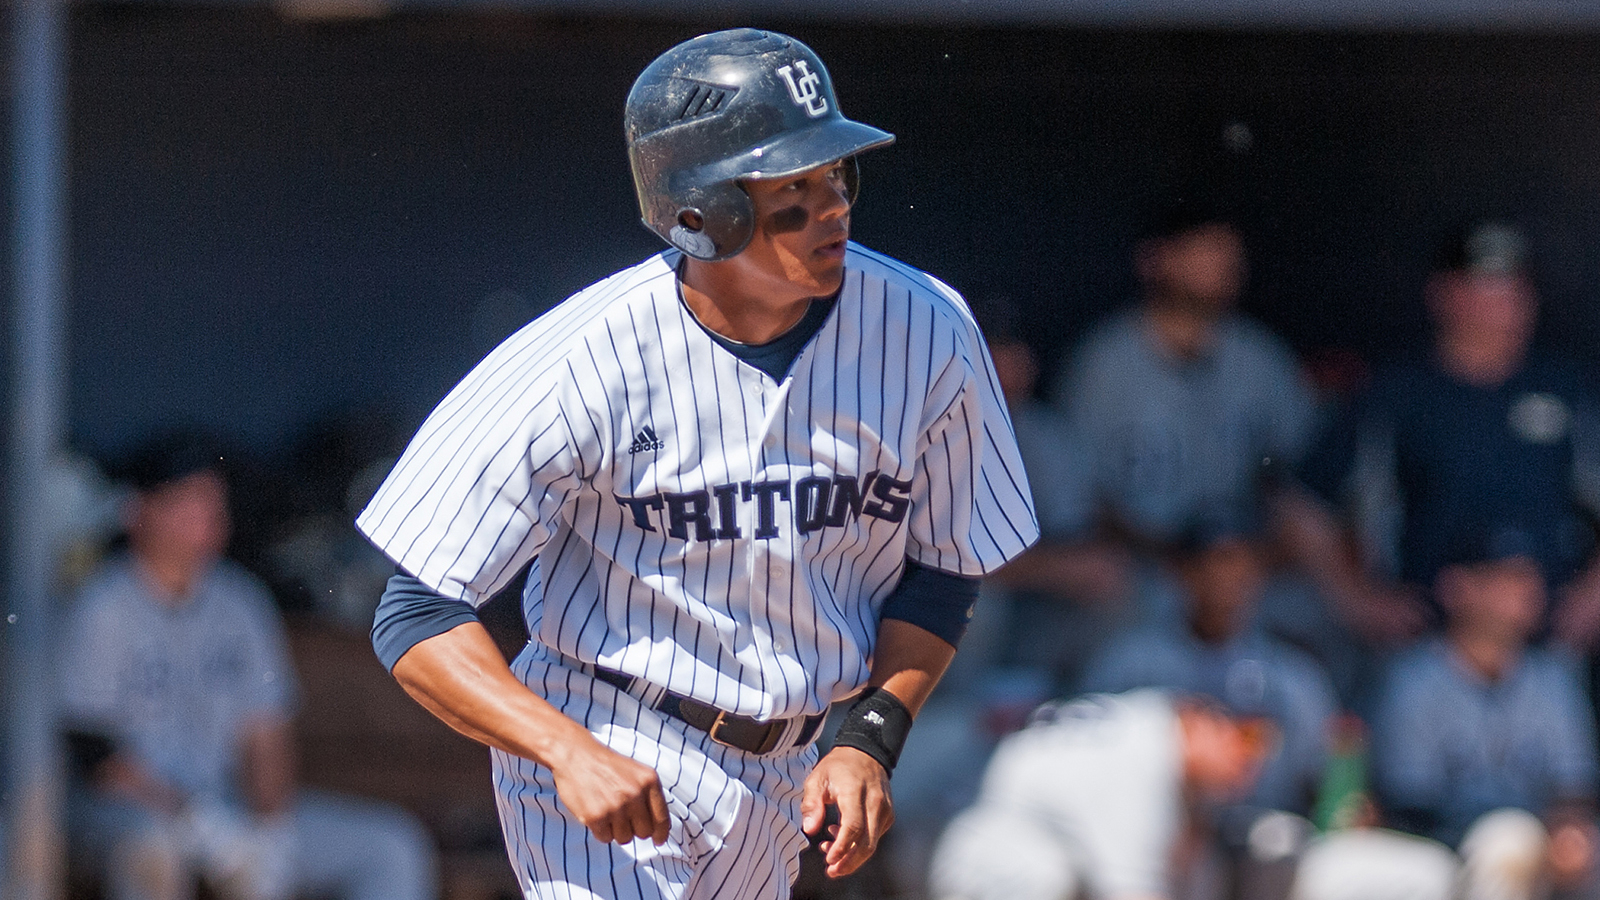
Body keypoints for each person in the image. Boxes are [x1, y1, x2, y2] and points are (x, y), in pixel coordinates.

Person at [354, 28, 1038, 900]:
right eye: (794, 188)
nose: (833, 206)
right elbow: (415, 613)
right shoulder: (585, 359)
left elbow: (942, 574)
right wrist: (562, 747)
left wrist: (869, 732)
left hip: (785, 767)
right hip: (611, 728)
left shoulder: (928, 329)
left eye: (838, 176)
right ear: (699, 214)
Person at [57, 433, 438, 900]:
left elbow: (266, 731)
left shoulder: (240, 602)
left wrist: (269, 830)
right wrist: (191, 818)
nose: (207, 517)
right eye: (188, 502)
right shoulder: (102, 602)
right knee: (151, 848)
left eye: (213, 502)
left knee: (390, 846)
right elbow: (90, 749)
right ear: (141, 512)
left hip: (226, 805)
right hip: (124, 811)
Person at [1288, 219, 1600, 651]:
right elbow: (1301, 503)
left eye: (1513, 284)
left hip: (1543, 651)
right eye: (1485, 285)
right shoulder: (1398, 391)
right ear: (1443, 293)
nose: (1503, 301)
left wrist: (1592, 597)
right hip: (1425, 649)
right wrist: (1357, 600)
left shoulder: (1565, 387)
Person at [1050, 199, 1318, 641]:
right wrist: (1168, 556)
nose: (1219, 268)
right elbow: (1080, 498)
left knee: (1308, 611)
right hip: (1145, 565)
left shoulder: (1261, 360)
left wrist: (1257, 556)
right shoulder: (1103, 363)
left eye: (1227, 256)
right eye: (1202, 253)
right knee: (1113, 600)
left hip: (1241, 567)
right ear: (1155, 260)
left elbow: (1299, 482)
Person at [1291, 524, 1600, 900]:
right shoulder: (1414, 679)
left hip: (1535, 840)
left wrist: (1569, 832)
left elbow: (1574, 789)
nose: (1524, 591)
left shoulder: (1553, 678)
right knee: (1508, 843)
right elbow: (1409, 804)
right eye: (1503, 578)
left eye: (1527, 578)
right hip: (1445, 841)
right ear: (1458, 588)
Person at [1077, 520, 1337, 824]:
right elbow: (1086, 755)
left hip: (1259, 833)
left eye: (1247, 565)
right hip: (1150, 825)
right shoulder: (1130, 660)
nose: (1234, 579)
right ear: (1183, 573)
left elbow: (1322, 779)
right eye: (1221, 561)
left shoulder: (1292, 675)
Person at [927, 689, 1275, 900]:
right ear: (1198, 719)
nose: (1252, 758)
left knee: (1200, 870)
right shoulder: (1141, 755)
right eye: (1243, 737)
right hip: (984, 854)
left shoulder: (1148, 724)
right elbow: (1133, 893)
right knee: (1047, 875)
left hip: (1008, 846)